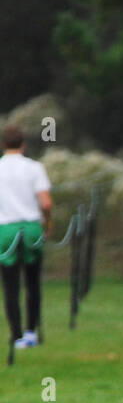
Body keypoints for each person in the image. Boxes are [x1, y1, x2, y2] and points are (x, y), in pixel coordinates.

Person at [0, 125, 52, 353]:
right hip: (31, 228)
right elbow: (46, 203)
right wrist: (48, 223)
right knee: (33, 283)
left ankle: (16, 334)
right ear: (24, 144)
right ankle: (31, 332)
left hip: (6, 229)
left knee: (10, 285)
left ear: (3, 145)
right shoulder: (34, 168)